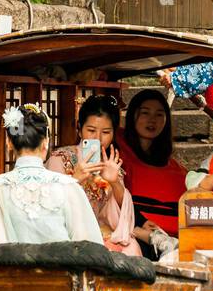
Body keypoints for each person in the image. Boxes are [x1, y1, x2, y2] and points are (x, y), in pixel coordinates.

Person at [0, 103, 106, 244]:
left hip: (14, 266)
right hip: (61, 265)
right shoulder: (69, 186)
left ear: (9, 143)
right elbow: (90, 246)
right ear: (46, 143)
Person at [45, 94, 141, 257]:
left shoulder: (111, 164)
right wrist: (74, 180)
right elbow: (48, 207)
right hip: (67, 236)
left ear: (113, 134)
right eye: (91, 130)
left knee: (131, 248)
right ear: (79, 128)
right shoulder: (61, 158)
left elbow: (120, 218)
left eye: (105, 132)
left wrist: (115, 182)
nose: (97, 138)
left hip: (100, 234)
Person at [117, 88, 186, 260]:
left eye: (159, 115)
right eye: (145, 113)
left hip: (175, 242)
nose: (152, 120)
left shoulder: (177, 168)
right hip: (136, 240)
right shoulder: (119, 154)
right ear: (133, 116)